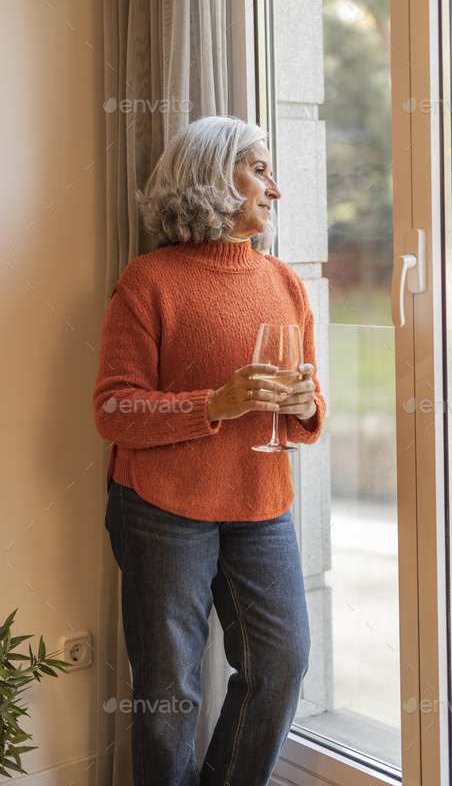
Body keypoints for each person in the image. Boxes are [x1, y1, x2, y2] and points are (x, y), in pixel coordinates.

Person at [92, 115, 326, 786]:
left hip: (260, 501)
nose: (274, 189)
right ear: (212, 176)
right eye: (260, 169)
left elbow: (308, 401)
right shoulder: (147, 281)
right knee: (171, 690)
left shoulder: (283, 281)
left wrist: (307, 406)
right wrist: (213, 405)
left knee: (281, 662)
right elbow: (113, 409)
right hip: (161, 509)